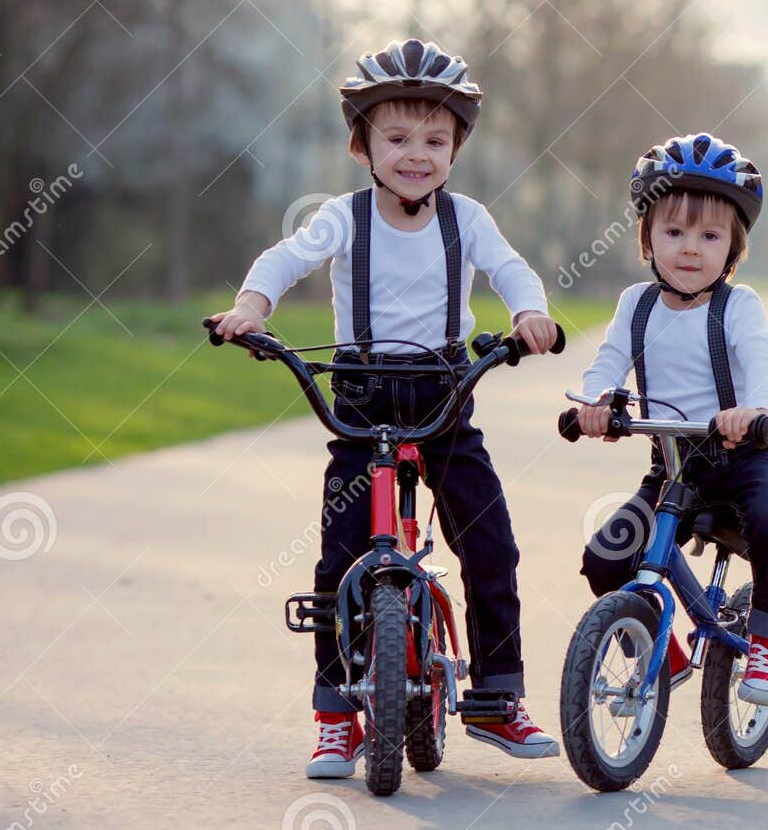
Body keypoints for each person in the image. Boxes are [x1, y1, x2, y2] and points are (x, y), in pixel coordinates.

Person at [208, 38, 562, 778]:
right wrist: (251, 306)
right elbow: (285, 258)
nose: (416, 155)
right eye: (397, 138)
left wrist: (531, 313)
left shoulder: (467, 219)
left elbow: (512, 270)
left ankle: (497, 695)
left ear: (457, 148)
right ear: (360, 144)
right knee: (339, 557)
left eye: (435, 140)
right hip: (362, 404)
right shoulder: (345, 217)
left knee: (490, 541)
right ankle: (336, 713)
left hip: (445, 400)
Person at [575, 132, 768, 707]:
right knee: (606, 556)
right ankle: (660, 650)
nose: (690, 248)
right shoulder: (637, 304)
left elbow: (761, 364)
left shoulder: (738, 306)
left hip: (742, 457)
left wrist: (753, 411)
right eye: (673, 231)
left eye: (709, 235)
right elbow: (607, 364)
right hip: (673, 465)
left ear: (733, 247)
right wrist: (594, 403)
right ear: (646, 237)